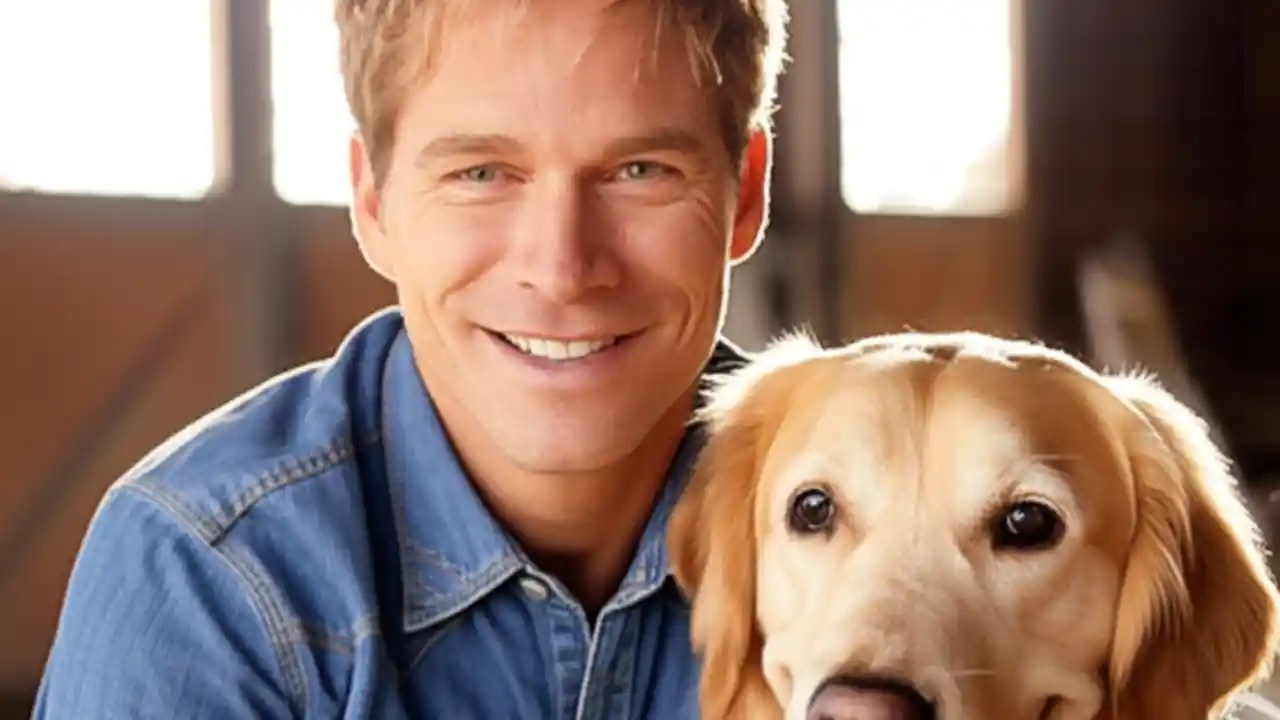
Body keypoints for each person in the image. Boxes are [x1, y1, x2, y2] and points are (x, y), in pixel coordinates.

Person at [33, 0, 788, 717]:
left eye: (640, 170)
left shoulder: (882, 523)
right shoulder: (206, 576)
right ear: (372, 202)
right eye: (481, 174)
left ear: (746, 192)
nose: (561, 270)